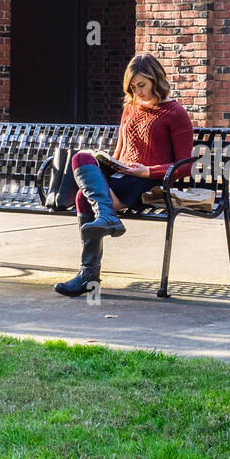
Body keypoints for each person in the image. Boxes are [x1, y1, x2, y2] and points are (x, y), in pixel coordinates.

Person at [56, 53, 194, 297]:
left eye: (141, 85)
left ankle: (89, 273)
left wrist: (148, 170)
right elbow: (120, 150)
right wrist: (111, 163)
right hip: (122, 175)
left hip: (144, 183)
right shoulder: (130, 108)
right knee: (81, 159)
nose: (138, 91)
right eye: (132, 87)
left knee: (82, 197)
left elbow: (184, 168)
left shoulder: (175, 114)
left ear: (156, 79)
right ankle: (106, 221)